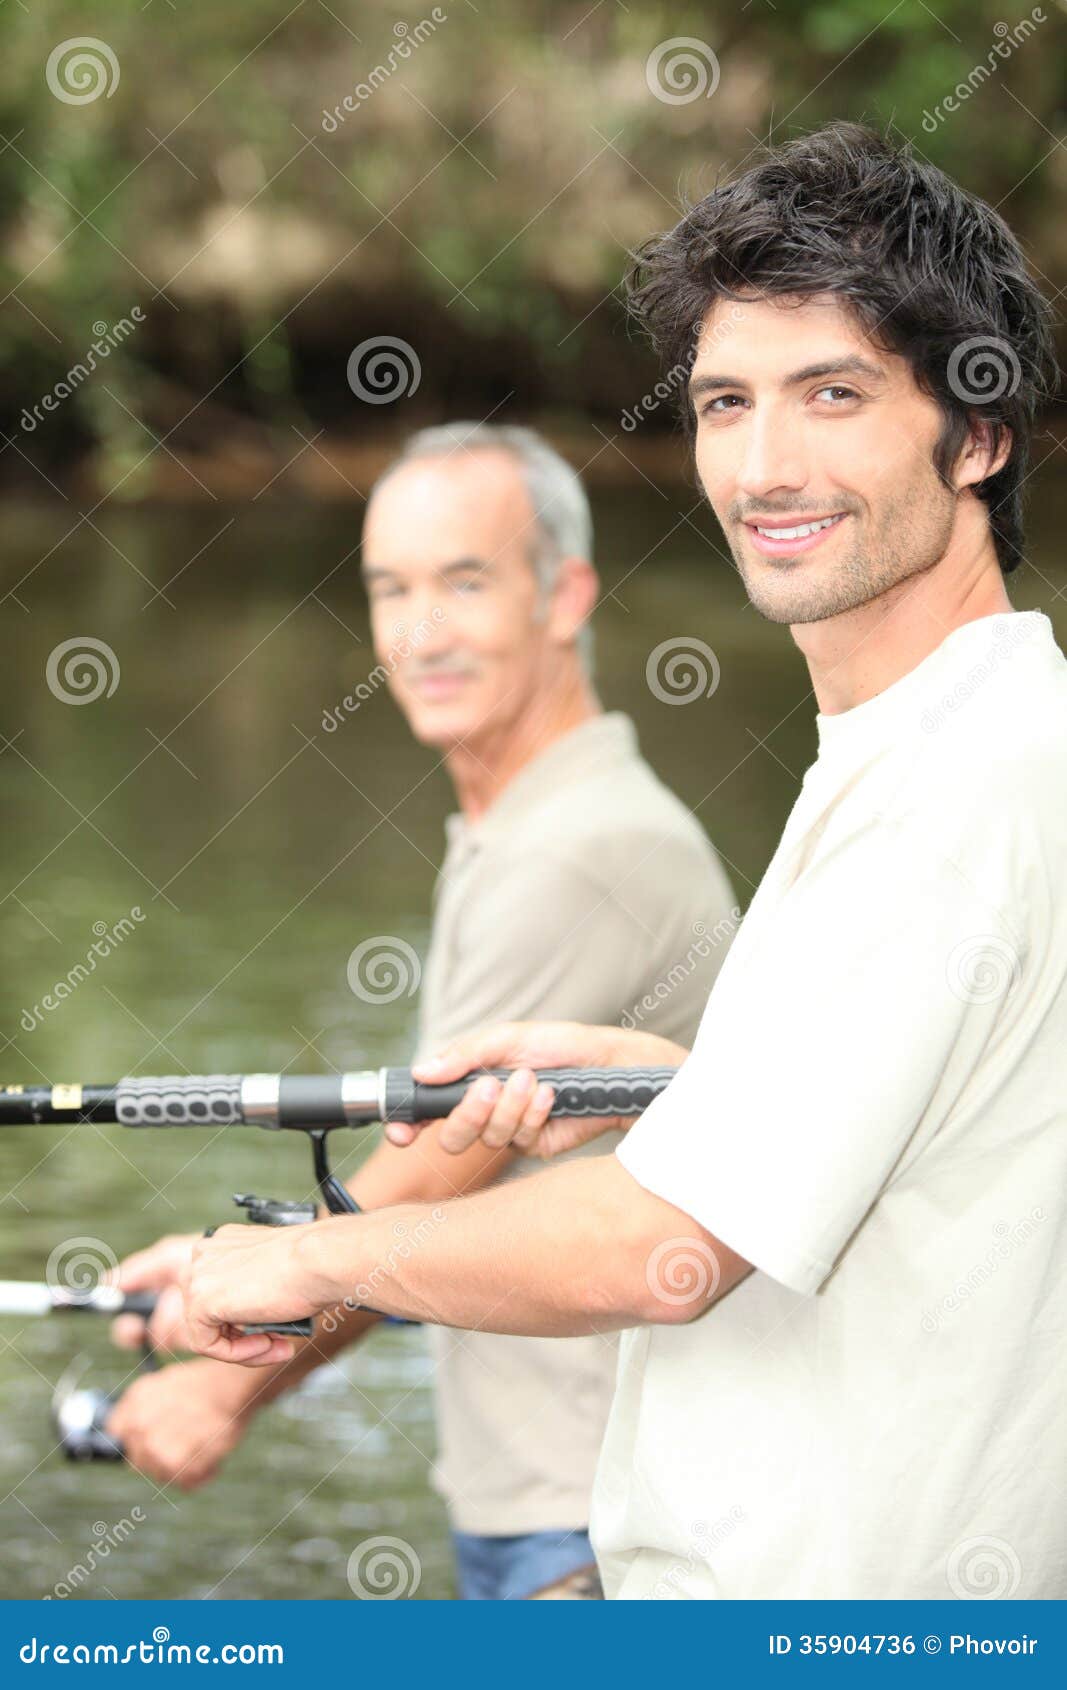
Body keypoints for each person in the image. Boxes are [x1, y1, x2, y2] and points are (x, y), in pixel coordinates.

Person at [180, 123, 1066, 1600]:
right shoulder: (970, 738)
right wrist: (685, 1084)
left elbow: (661, 1246)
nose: (763, 466)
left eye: (832, 394)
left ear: (977, 434)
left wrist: (320, 1258)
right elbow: (945, 1123)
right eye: (723, 402)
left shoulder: (950, 789)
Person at [108, 423, 737, 1600]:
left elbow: (432, 1167)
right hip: (541, 1504)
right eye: (391, 589)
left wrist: (226, 1377)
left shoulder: (580, 848)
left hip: (596, 1522)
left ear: (565, 596)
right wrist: (215, 1274)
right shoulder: (522, 824)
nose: (420, 631)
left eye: (464, 581)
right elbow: (433, 1196)